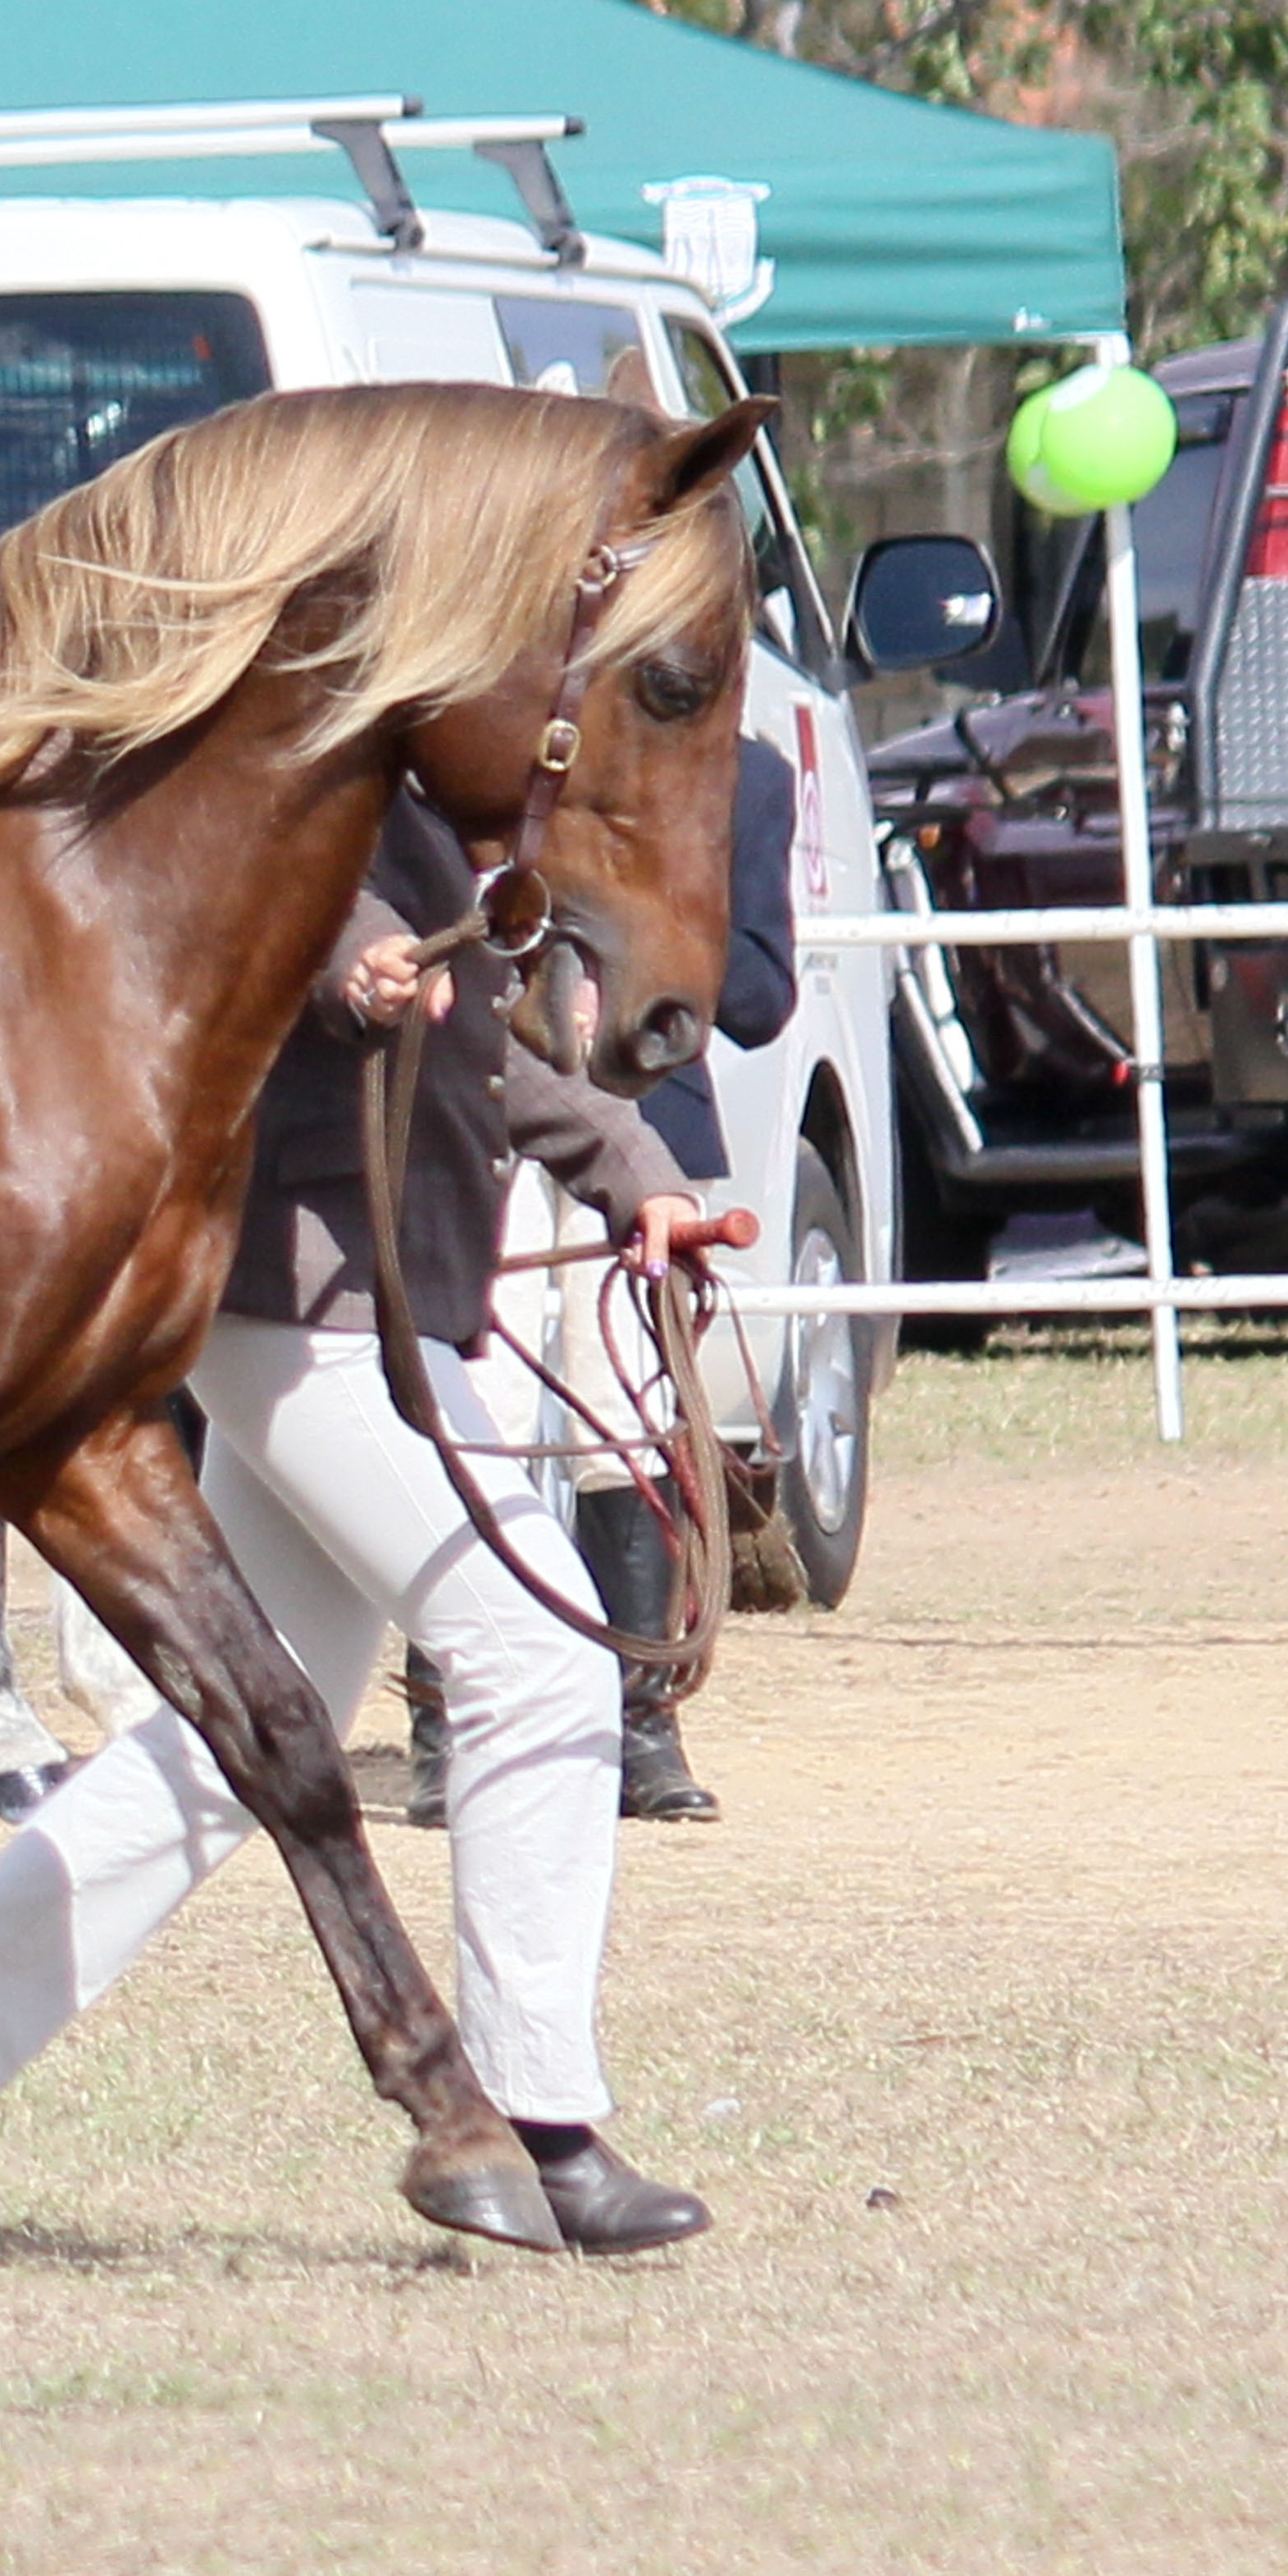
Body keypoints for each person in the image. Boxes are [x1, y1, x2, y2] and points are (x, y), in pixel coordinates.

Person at [0, 796, 726, 2260]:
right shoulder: (320, 757)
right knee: (536, 1645)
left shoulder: (432, 799)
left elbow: (474, 1062)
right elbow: (257, 884)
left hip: (367, 1295)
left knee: (232, 1736)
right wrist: (351, 953)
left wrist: (633, 1173)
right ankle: (533, 2115)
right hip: (295, 1299)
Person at [398, 727, 797, 1826]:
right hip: (485, 1107)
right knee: (485, 1406)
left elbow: (762, 989)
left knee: (626, 1414)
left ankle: (642, 1722)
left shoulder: (748, 778)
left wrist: (630, 983)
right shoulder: (491, 756)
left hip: (643, 1116)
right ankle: (448, 1718)